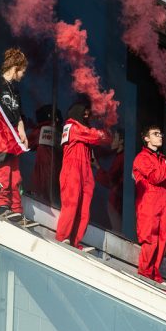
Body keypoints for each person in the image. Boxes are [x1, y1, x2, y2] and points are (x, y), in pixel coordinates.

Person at [56, 103, 110, 249]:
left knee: (84, 209)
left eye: (88, 114)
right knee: (71, 204)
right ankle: (62, 237)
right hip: (72, 169)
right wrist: (105, 130)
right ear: (77, 112)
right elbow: (96, 136)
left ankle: (75, 241)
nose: (87, 116)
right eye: (84, 113)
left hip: (85, 170)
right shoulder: (72, 126)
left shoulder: (82, 130)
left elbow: (103, 138)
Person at [0, 48, 29, 221]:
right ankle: (0, 204)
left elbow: (18, 114)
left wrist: (22, 132)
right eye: (23, 71)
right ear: (15, 67)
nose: (23, 75)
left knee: (15, 173)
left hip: (13, 138)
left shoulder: (16, 91)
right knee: (2, 169)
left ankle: (16, 208)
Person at [133, 125, 166, 284]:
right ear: (146, 138)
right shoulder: (142, 158)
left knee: (162, 241)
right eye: (155, 134)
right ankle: (145, 274)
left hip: (164, 204)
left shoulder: (161, 158)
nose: (160, 136)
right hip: (149, 204)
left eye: (160, 134)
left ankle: (155, 275)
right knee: (150, 240)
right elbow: (155, 178)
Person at [29, 104, 62, 203]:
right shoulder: (61, 133)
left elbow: (26, 144)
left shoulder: (40, 130)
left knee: (42, 198)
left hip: (42, 171)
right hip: (58, 171)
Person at [95, 130, 124, 232]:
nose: (112, 141)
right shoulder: (120, 156)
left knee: (117, 229)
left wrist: (97, 167)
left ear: (121, 141)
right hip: (117, 199)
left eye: (115, 138)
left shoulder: (120, 158)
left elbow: (110, 180)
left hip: (116, 200)